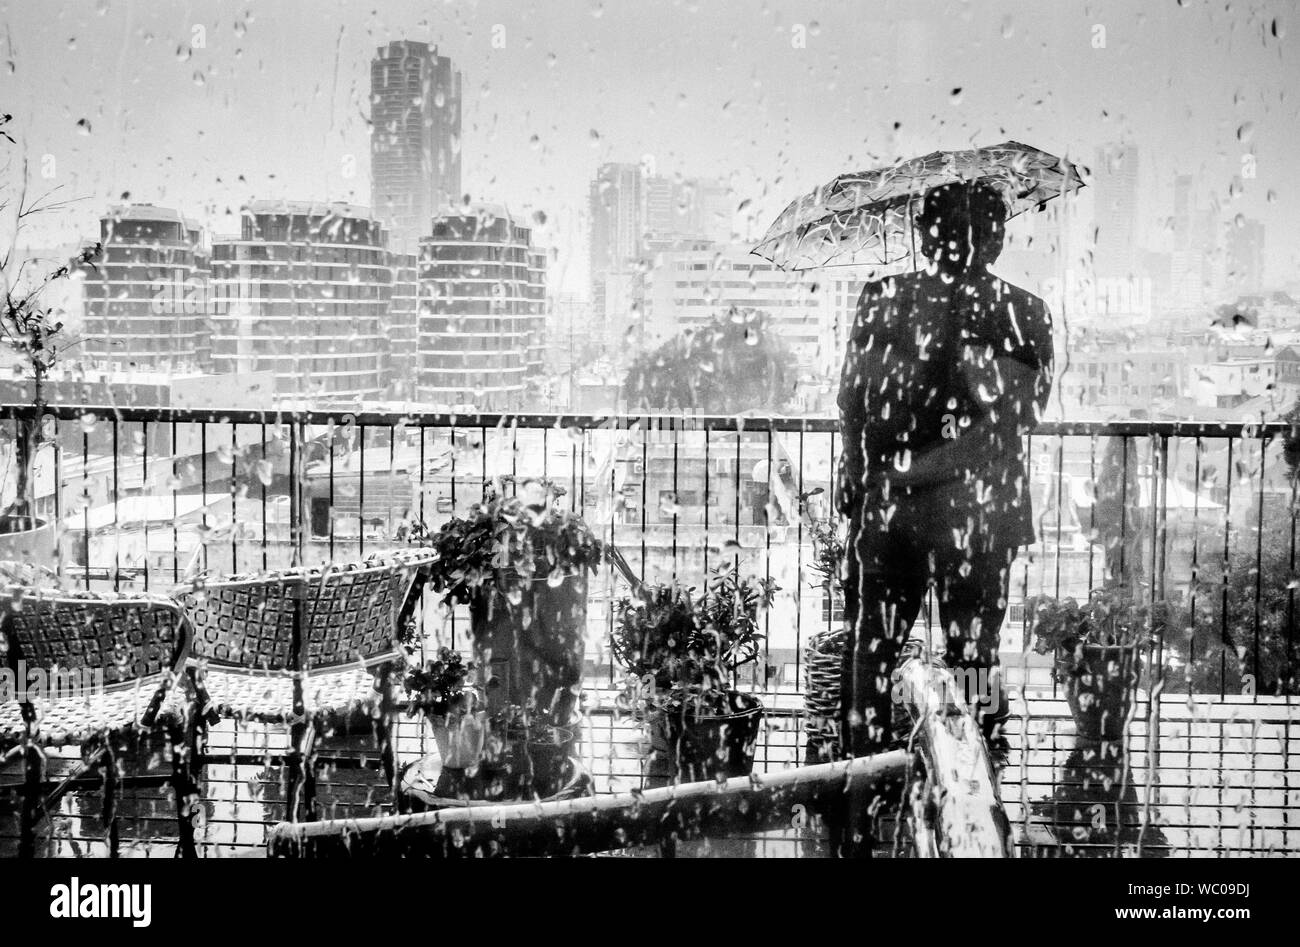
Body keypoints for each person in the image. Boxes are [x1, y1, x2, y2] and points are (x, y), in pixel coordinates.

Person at [836, 181, 1054, 760]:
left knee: (873, 648)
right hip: (980, 516)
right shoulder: (1025, 310)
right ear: (996, 238)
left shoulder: (883, 297)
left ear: (924, 235)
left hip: (891, 508)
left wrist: (858, 469)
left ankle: (861, 771)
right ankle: (977, 766)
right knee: (974, 651)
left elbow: (852, 398)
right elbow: (1022, 418)